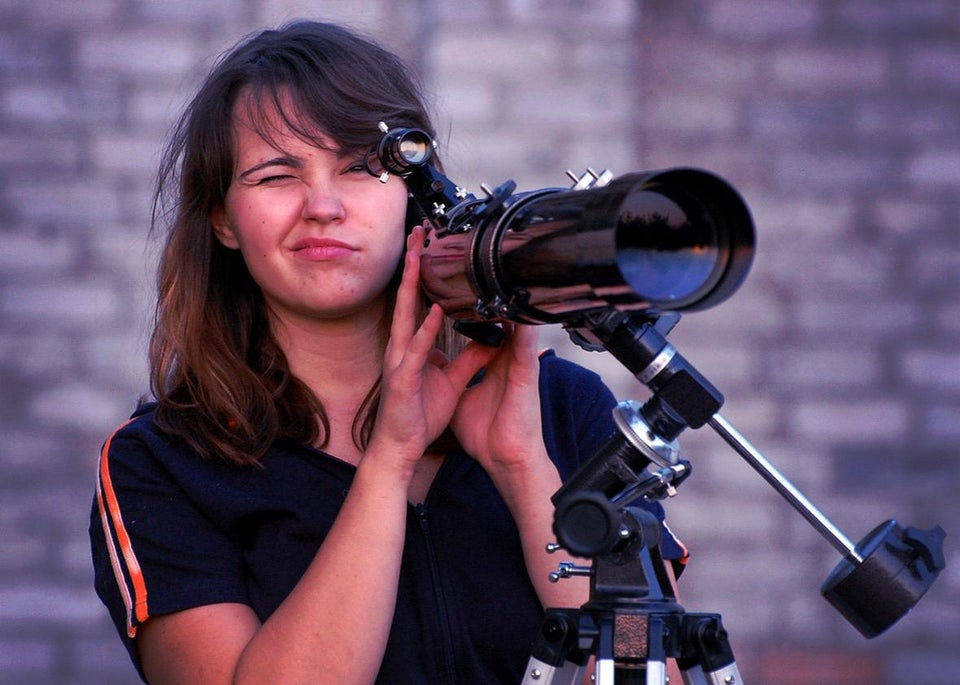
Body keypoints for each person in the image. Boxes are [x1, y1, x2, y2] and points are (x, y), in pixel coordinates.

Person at [89, 20, 686, 684]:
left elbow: (649, 666)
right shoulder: (162, 463)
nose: (323, 206)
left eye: (360, 168)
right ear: (223, 219)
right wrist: (390, 461)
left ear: (412, 193)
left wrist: (525, 470)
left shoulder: (566, 409)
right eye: (275, 176)